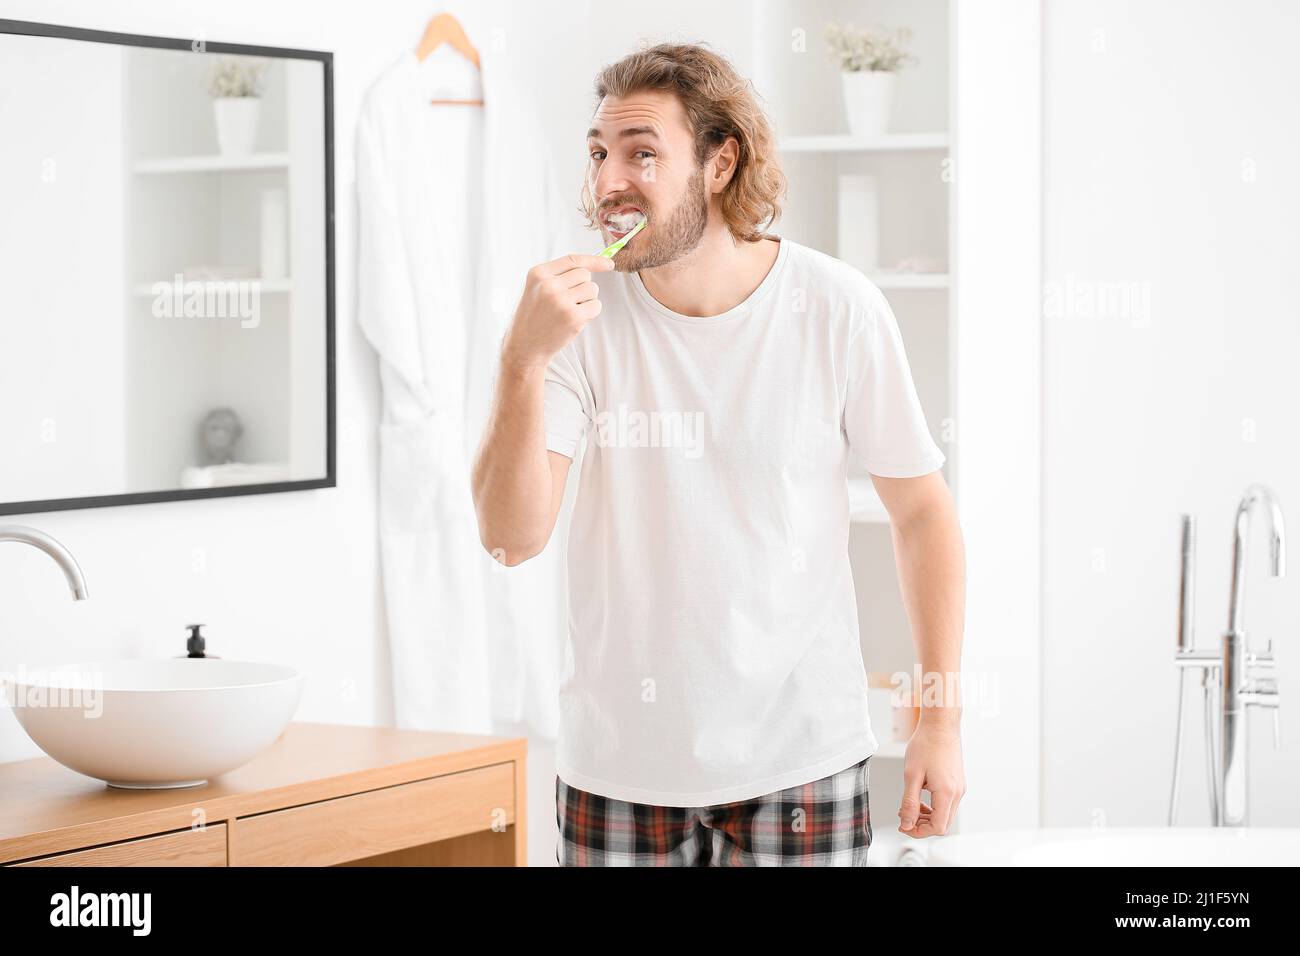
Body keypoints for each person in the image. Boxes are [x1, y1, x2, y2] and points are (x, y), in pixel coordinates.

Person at [471, 42, 966, 866]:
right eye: (598, 153)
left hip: (801, 765)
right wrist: (519, 360)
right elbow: (511, 537)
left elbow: (923, 514)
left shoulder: (838, 310)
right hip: (617, 772)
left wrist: (941, 722)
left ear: (719, 161)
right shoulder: (577, 322)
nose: (606, 182)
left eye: (641, 153)